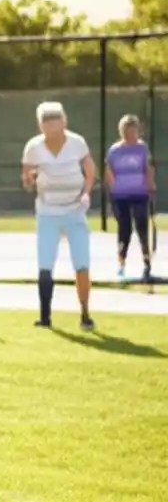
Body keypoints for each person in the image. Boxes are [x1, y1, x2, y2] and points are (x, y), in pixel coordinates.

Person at [21, 102, 96, 331]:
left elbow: (90, 170)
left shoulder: (76, 143)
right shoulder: (34, 147)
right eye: (47, 127)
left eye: (57, 126)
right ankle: (45, 317)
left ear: (64, 123)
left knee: (81, 263)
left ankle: (85, 313)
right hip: (47, 212)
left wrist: (86, 193)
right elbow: (26, 178)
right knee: (45, 264)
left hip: (74, 210)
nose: (52, 132)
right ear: (40, 127)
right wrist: (30, 179)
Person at [105, 114, 156, 282]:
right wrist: (113, 187)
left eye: (133, 131)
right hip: (120, 196)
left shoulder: (142, 148)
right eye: (126, 131)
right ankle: (121, 263)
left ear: (137, 131)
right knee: (125, 229)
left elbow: (147, 168)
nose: (129, 134)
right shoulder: (115, 150)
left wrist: (150, 184)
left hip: (140, 193)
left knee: (142, 225)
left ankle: (147, 262)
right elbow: (109, 170)